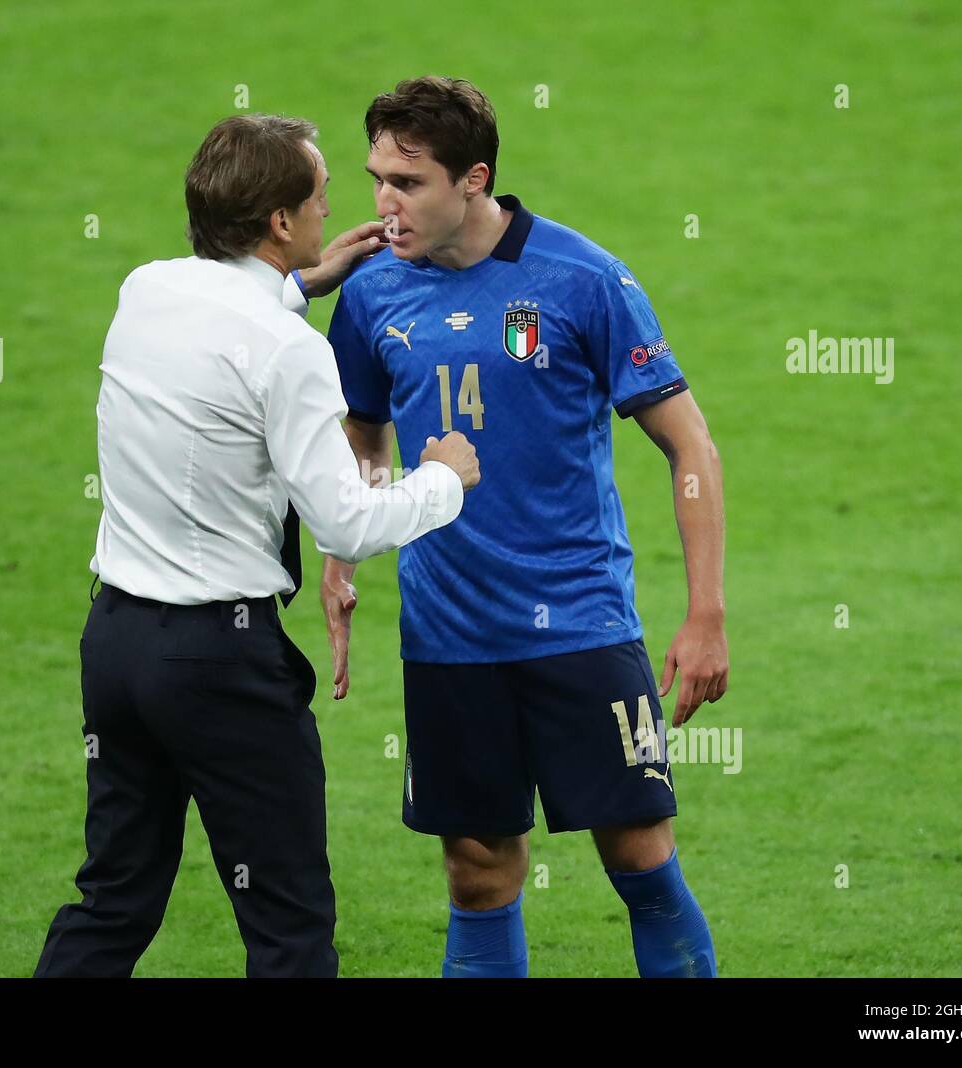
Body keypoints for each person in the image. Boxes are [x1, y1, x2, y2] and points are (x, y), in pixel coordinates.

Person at [34, 113, 480, 978]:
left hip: (116, 646)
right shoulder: (290, 353)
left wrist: (306, 279)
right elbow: (346, 522)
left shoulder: (144, 291)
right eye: (320, 199)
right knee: (288, 926)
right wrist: (443, 482)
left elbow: (229, 317)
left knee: (115, 899)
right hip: (219, 666)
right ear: (279, 221)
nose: (338, 212)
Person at [321, 77, 725, 977]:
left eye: (409, 182)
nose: (385, 203)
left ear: (475, 179)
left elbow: (689, 442)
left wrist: (706, 614)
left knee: (639, 858)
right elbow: (363, 426)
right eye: (376, 178)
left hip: (579, 624)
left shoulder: (583, 279)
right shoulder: (371, 293)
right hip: (447, 637)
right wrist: (342, 552)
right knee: (476, 873)